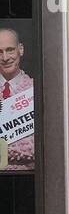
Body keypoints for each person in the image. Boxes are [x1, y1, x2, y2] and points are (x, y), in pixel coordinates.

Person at [0, 26, 34, 170]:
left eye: (10, 50)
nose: (5, 58)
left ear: (20, 49)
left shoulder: (36, 90)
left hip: (30, 177)